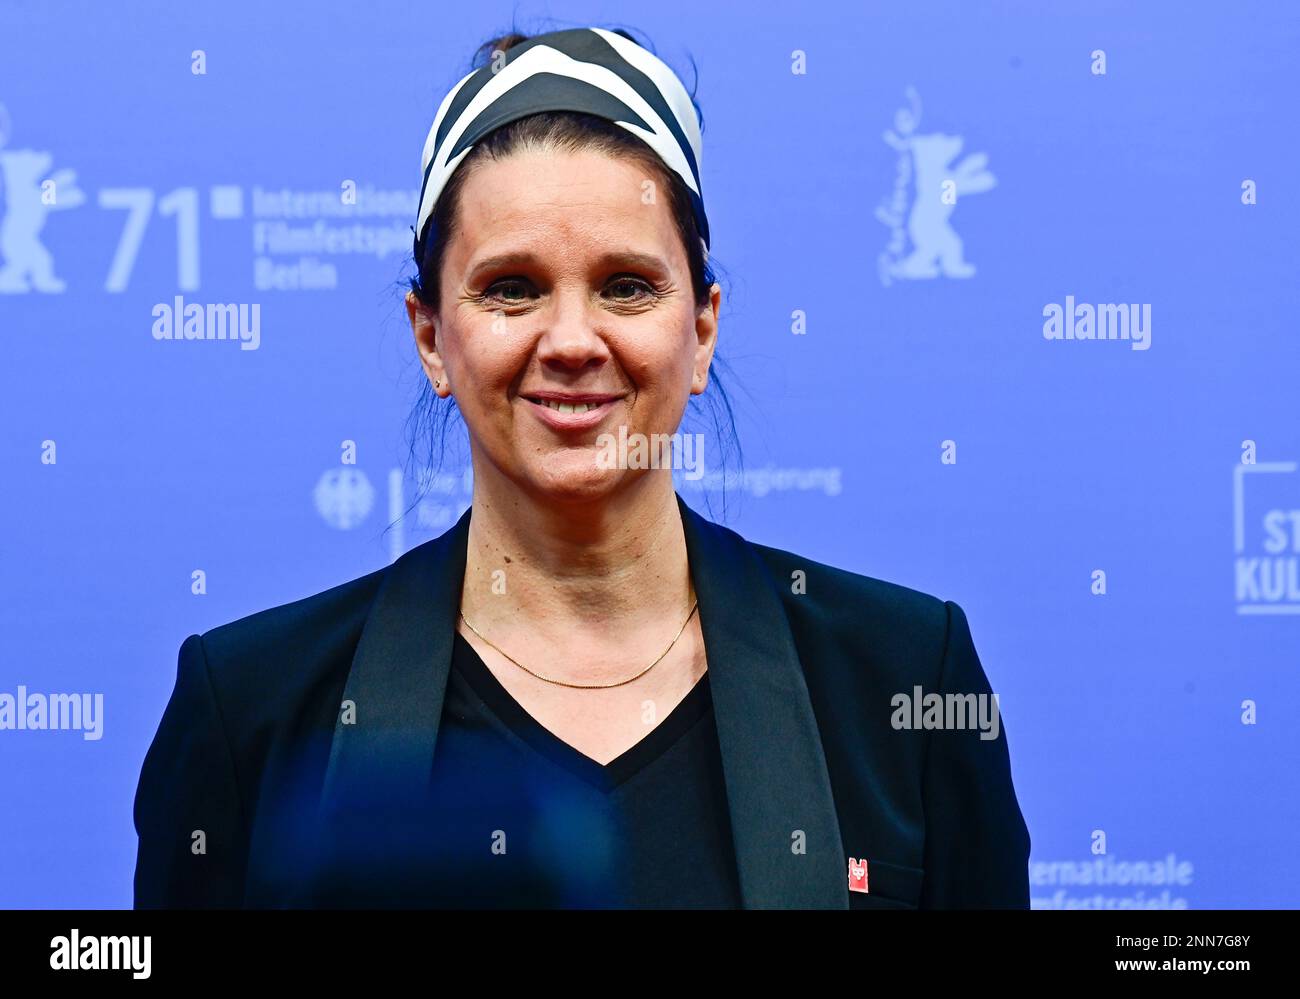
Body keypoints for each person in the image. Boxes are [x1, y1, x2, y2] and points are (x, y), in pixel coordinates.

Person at [133, 25, 1031, 909]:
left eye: (626, 286)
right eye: (511, 288)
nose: (570, 342)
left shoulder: (906, 680)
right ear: (431, 338)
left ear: (703, 328)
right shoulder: (253, 711)